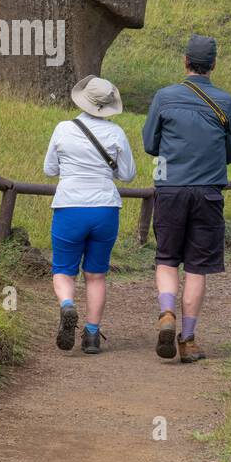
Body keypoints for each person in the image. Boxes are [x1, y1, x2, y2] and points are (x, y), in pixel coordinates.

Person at [141, 35, 231, 363]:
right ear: (213, 65)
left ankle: (166, 313)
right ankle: (188, 338)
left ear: (185, 61)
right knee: (197, 268)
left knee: (167, 258)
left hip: (170, 188)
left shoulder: (164, 96)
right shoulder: (225, 101)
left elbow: (150, 144)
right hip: (209, 192)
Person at [42, 75, 137, 354]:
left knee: (63, 270)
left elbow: (49, 169)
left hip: (69, 206)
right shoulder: (116, 133)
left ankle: (67, 306)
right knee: (96, 275)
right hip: (105, 209)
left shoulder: (62, 128)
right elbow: (128, 174)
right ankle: (93, 335)